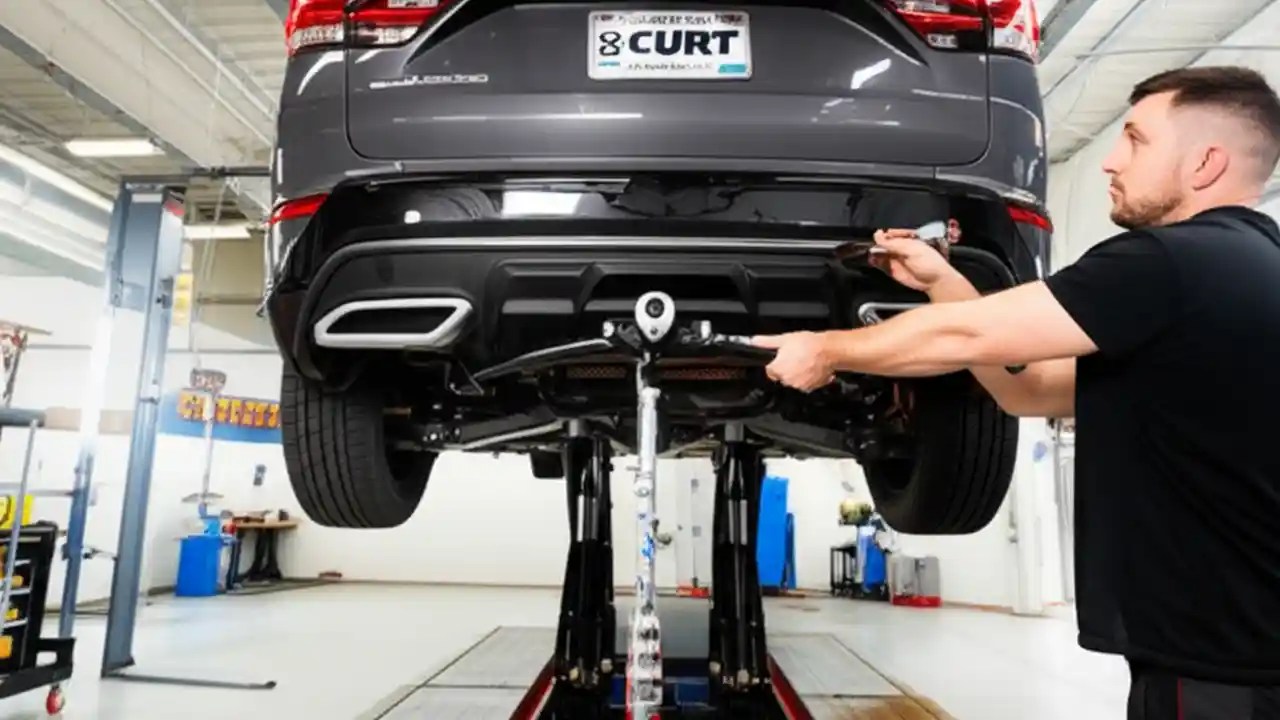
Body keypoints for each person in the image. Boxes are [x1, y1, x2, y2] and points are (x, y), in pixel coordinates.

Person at [753, 66, 1280, 719]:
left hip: (1219, 672)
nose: (1111, 161)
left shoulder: (1174, 261)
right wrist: (943, 280)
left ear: (1205, 162)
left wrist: (827, 347)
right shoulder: (1242, 271)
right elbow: (1028, 388)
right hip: (1243, 656)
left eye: (1136, 140)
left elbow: (969, 337)